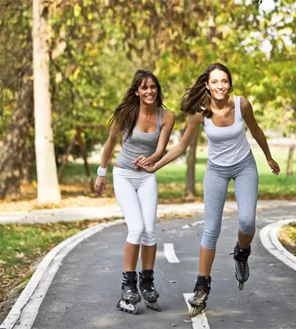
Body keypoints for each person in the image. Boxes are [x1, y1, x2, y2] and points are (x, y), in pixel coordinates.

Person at [134, 63, 280, 316]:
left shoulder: (241, 105)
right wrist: (155, 166)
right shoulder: (200, 114)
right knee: (211, 229)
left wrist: (268, 158)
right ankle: (202, 286)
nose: (220, 86)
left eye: (224, 81)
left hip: (245, 166)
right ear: (207, 85)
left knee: (247, 223)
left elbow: (256, 131)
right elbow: (180, 147)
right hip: (216, 171)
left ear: (229, 83)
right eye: (215, 82)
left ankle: (241, 253)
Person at [94, 69, 175, 314]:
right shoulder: (126, 113)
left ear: (157, 90)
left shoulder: (167, 116)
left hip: (147, 176)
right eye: (144, 87)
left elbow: (161, 150)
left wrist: (149, 160)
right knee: (137, 228)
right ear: (137, 91)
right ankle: (128, 285)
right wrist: (101, 172)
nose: (149, 91)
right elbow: (110, 142)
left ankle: (147, 283)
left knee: (150, 230)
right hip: (123, 175)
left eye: (153, 87)